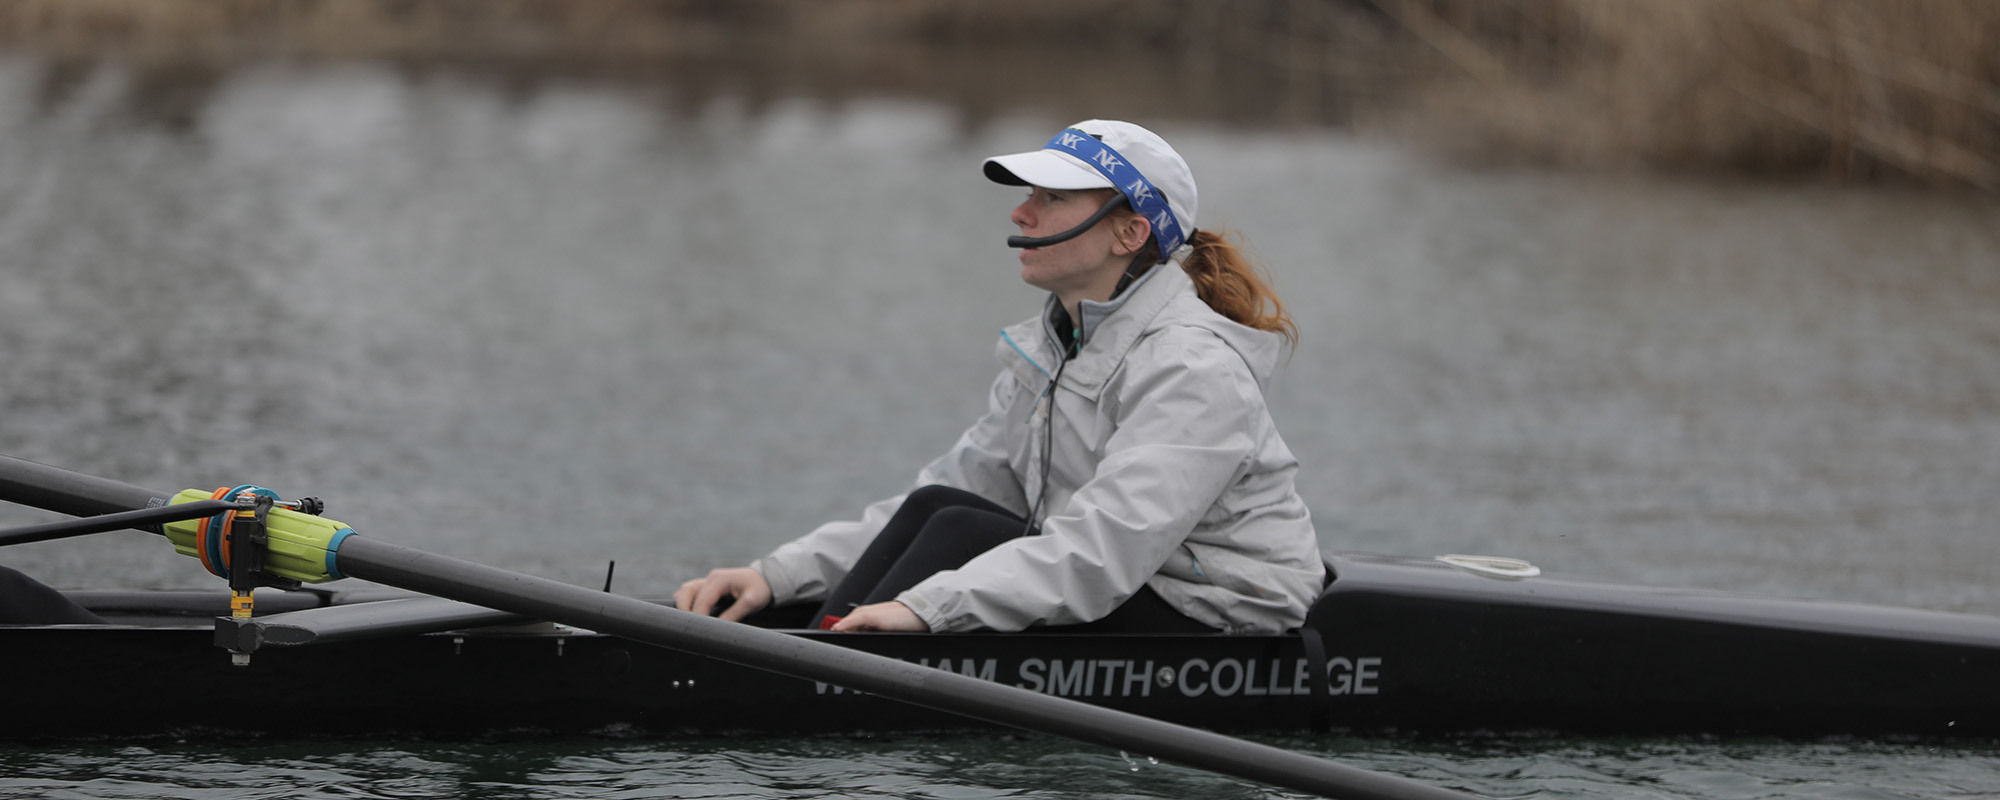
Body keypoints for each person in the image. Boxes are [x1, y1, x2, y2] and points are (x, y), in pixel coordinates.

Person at [676, 119, 1324, 634]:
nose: (1021, 214)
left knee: (963, 532)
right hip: (1126, 587)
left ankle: (810, 673)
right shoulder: (1049, 347)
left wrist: (927, 608)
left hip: (1222, 619)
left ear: (1128, 232)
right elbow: (945, 496)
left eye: (1053, 198)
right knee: (943, 508)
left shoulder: (1194, 366)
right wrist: (777, 577)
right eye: (1028, 195)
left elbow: (1102, 552)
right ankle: (807, 651)